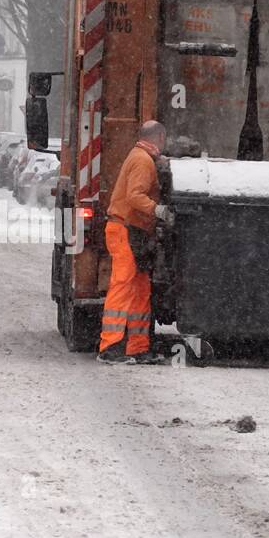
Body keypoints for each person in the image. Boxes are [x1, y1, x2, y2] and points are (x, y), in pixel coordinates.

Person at [98, 120, 170, 366]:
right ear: (159, 138)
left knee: (140, 289)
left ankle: (138, 347)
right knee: (122, 285)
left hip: (133, 230)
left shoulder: (140, 157)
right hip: (125, 230)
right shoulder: (142, 160)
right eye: (164, 139)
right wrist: (159, 210)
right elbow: (134, 195)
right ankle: (110, 346)